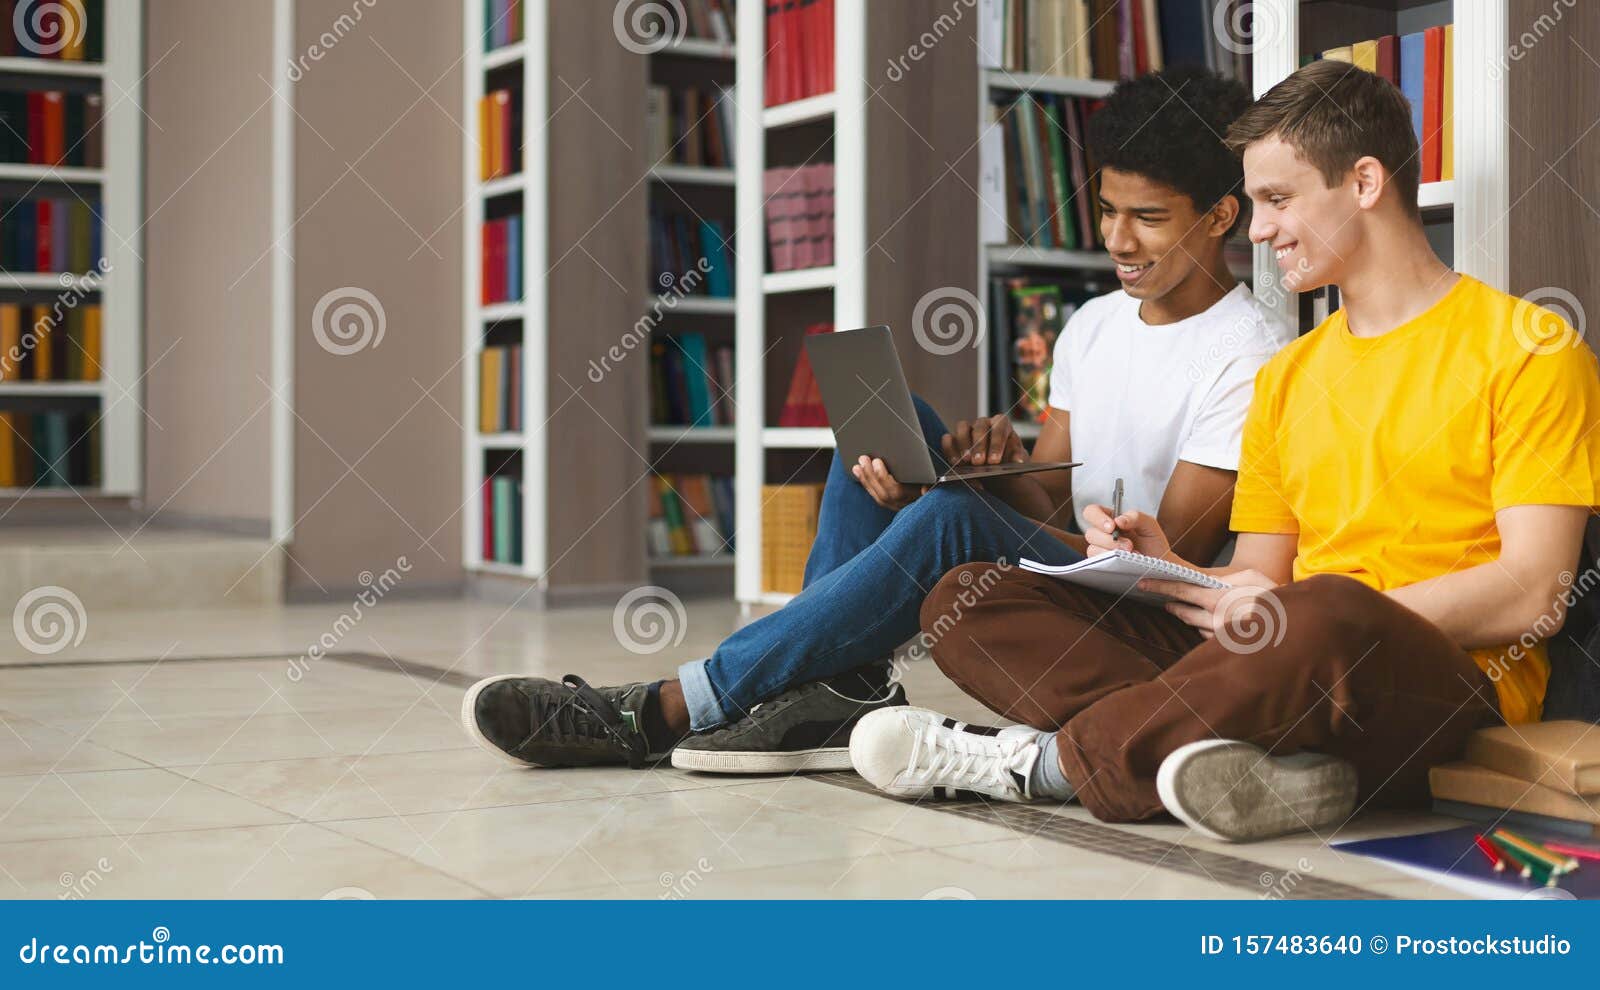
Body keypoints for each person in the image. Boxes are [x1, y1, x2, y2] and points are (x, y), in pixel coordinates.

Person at [849, 59, 1600, 843]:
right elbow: (1261, 580)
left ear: (1367, 182)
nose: (1261, 226)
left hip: (1444, 684)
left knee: (1331, 607)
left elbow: (1532, 593)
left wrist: (1293, 613)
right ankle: (1263, 763)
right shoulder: (1288, 377)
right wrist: (1170, 567)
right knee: (971, 600)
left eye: (1279, 199)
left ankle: (1048, 765)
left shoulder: (1528, 348)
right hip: (1290, 650)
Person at [461, 67, 1291, 774]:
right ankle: (834, 689)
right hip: (1072, 566)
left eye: (1149, 218)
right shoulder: (1092, 325)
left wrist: (963, 513)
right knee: (896, 424)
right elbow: (1050, 507)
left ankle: (669, 706)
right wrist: (982, 467)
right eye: (1107, 210)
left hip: (1143, 612)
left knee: (955, 516)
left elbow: (1157, 566)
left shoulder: (1247, 356)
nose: (1118, 239)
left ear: (1221, 216)